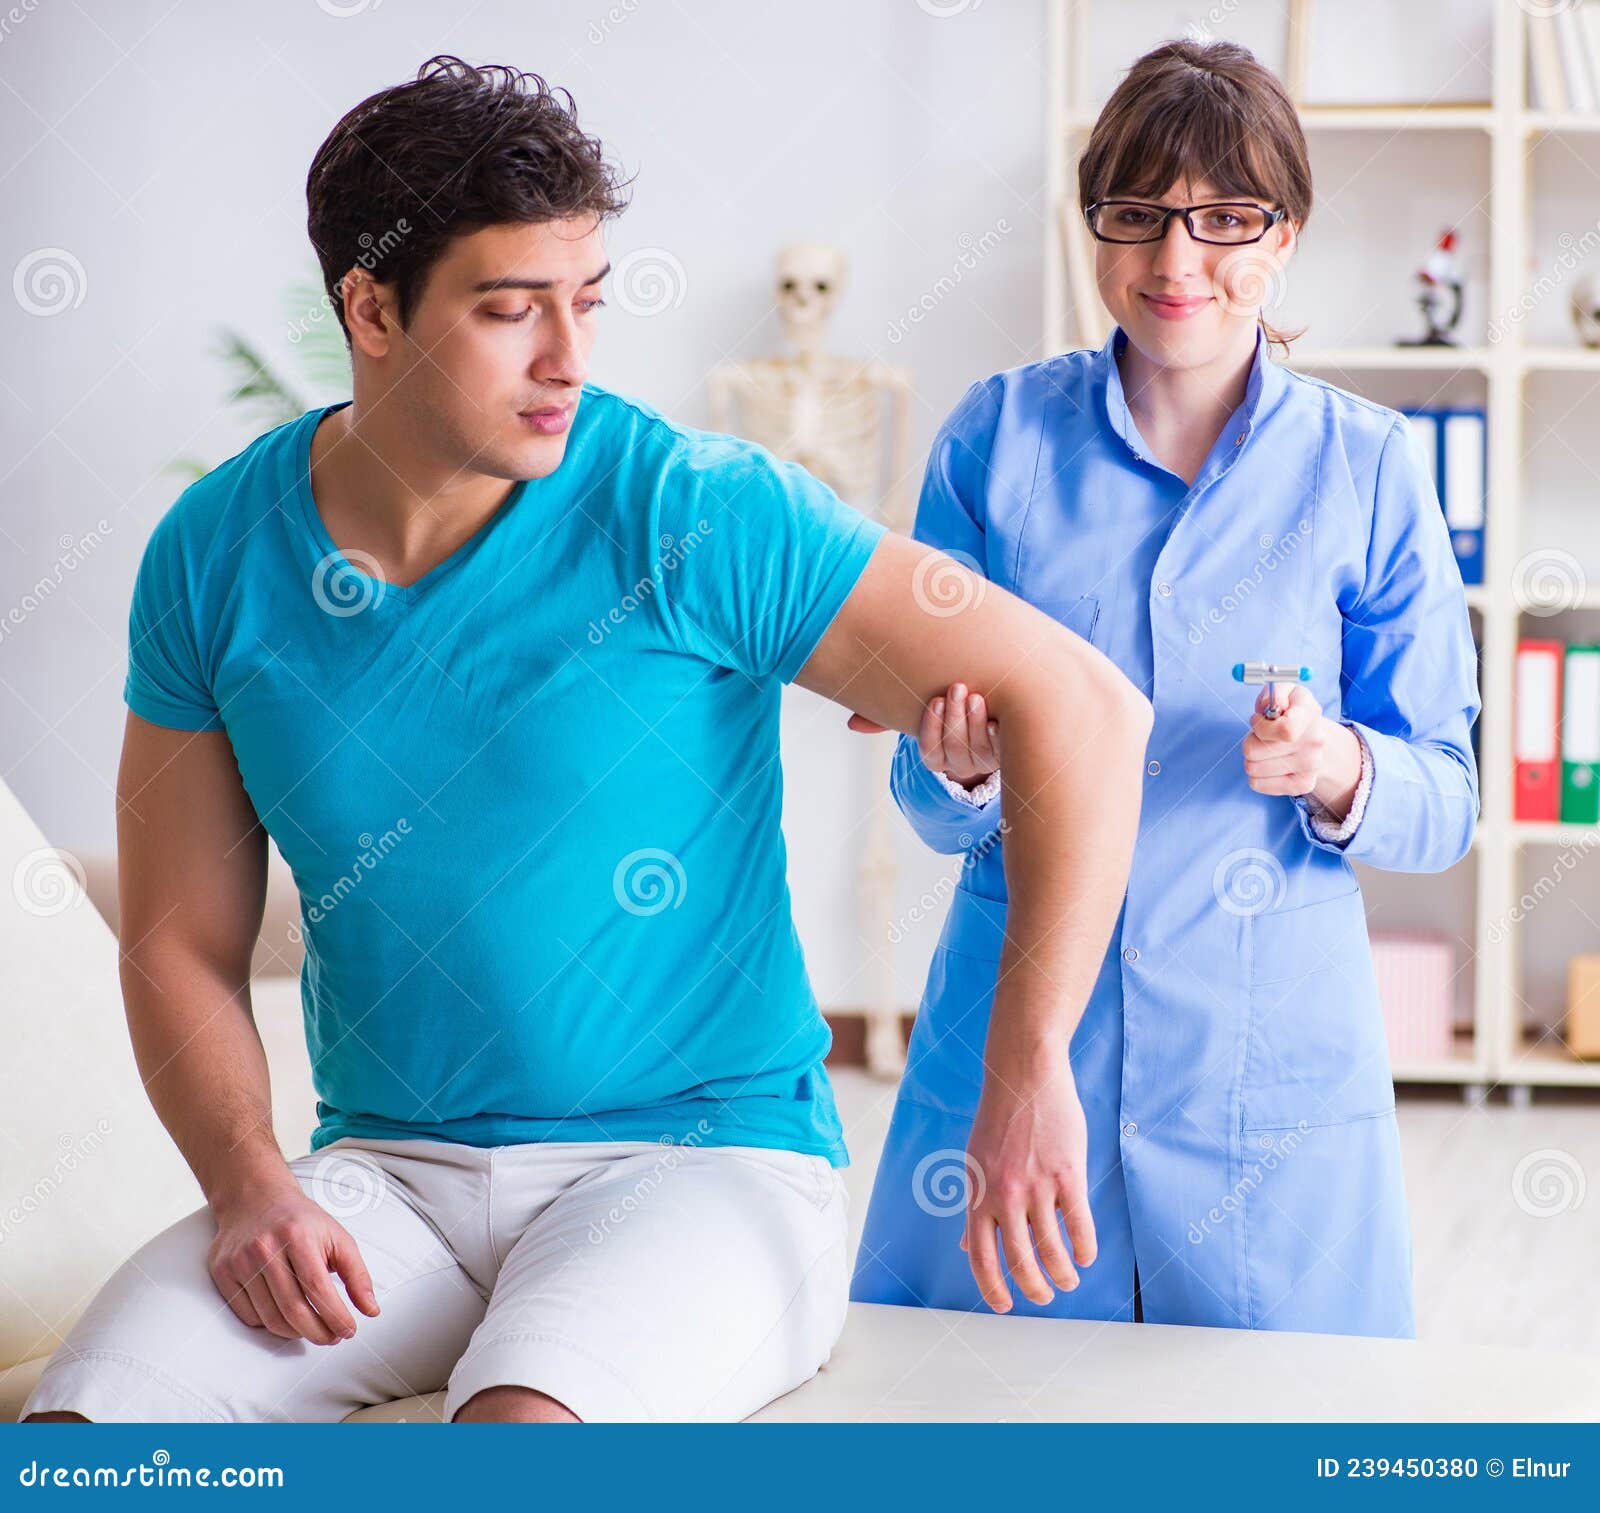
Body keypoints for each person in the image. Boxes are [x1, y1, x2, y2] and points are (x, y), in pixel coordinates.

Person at [21, 56, 1151, 1424]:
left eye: (589, 300)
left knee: (520, 1440)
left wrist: (1028, 1071)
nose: (568, 355)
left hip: (702, 1166)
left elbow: (1084, 708)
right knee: (82, 1433)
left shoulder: (691, 508)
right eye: (511, 310)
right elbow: (178, 941)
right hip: (388, 1176)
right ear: (368, 309)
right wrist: (251, 1185)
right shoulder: (216, 554)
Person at [848, 39, 1480, 1337]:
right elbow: (922, 786)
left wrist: (1339, 764)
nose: (1176, 259)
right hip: (1023, 1032)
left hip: (1267, 1064)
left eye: (1225, 218)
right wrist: (960, 766)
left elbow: (1447, 800)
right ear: (1093, 227)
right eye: (1135, 214)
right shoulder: (996, 438)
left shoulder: (1369, 468)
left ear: (1285, 233)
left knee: (1280, 1423)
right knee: (978, 1409)